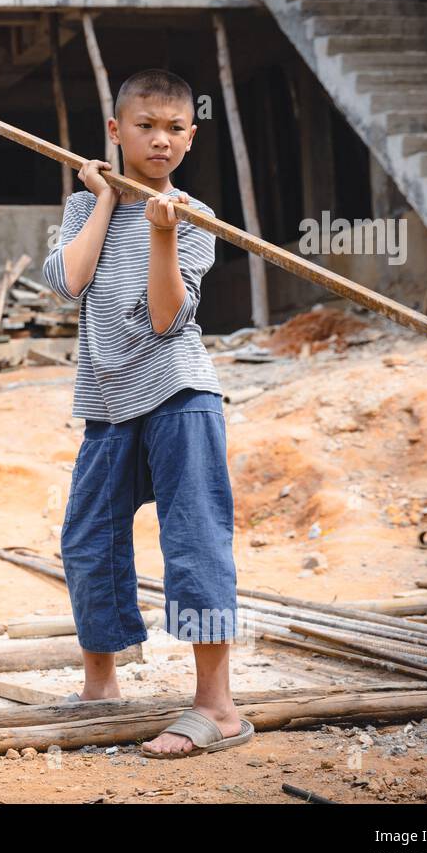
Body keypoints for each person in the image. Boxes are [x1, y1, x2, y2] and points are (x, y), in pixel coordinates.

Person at [42, 68, 254, 758]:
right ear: (115, 131)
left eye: (174, 128)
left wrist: (163, 234)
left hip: (178, 394)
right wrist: (103, 202)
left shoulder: (194, 219)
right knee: (88, 538)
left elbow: (166, 319)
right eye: (144, 126)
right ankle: (101, 686)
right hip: (106, 402)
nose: (159, 139)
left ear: (191, 138)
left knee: (193, 539)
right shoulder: (84, 206)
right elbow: (68, 282)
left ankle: (217, 706)